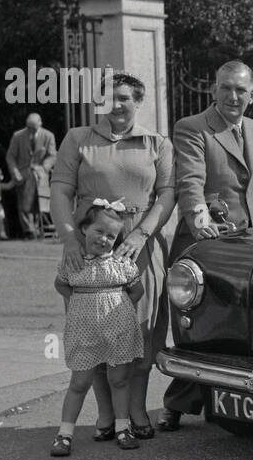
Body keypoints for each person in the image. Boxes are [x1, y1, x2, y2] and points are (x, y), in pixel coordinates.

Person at [157, 60, 253, 430]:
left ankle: (245, 399)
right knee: (200, 329)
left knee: (246, 327)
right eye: (225, 88)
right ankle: (177, 403)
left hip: (252, 245)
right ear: (214, 90)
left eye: (240, 90)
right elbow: (190, 181)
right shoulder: (193, 128)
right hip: (206, 245)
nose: (233, 96)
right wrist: (200, 219)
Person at [50, 73, 176, 441]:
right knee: (95, 331)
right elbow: (60, 191)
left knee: (141, 329)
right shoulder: (77, 139)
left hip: (140, 246)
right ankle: (106, 414)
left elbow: (167, 195)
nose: (116, 105)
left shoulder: (157, 143)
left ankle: (136, 408)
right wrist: (71, 239)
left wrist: (140, 233)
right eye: (108, 98)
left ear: (138, 102)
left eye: (124, 98)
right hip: (89, 246)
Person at [51, 201, 145, 455]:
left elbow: (137, 291)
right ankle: (64, 433)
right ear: (84, 229)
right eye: (99, 231)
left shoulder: (121, 264)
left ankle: (122, 428)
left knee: (119, 379)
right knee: (79, 382)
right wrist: (81, 303)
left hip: (118, 330)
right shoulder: (74, 262)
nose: (104, 239)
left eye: (111, 236)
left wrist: (120, 306)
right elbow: (61, 285)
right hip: (84, 331)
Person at [6, 113, 58, 239]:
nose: (30, 131)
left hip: (40, 175)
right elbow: (10, 156)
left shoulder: (48, 136)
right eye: (28, 127)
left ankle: (38, 229)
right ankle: (28, 231)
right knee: (24, 203)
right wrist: (15, 172)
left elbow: (52, 156)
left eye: (33, 128)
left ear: (40, 124)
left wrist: (44, 167)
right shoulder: (17, 136)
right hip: (23, 174)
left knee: (39, 203)